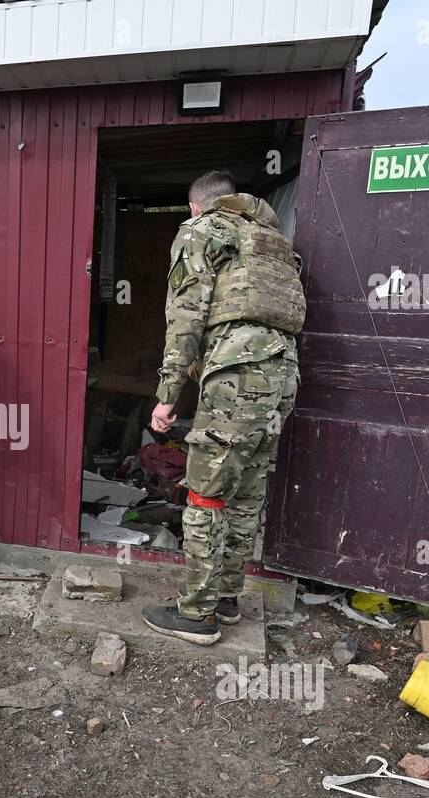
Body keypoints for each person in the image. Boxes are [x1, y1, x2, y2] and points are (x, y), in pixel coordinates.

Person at [141, 171, 304, 645]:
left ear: (197, 206)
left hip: (237, 371)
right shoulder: (273, 241)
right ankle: (227, 598)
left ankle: (196, 613)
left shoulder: (201, 230)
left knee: (206, 491)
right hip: (283, 374)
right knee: (247, 490)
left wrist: (168, 395)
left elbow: (186, 316)